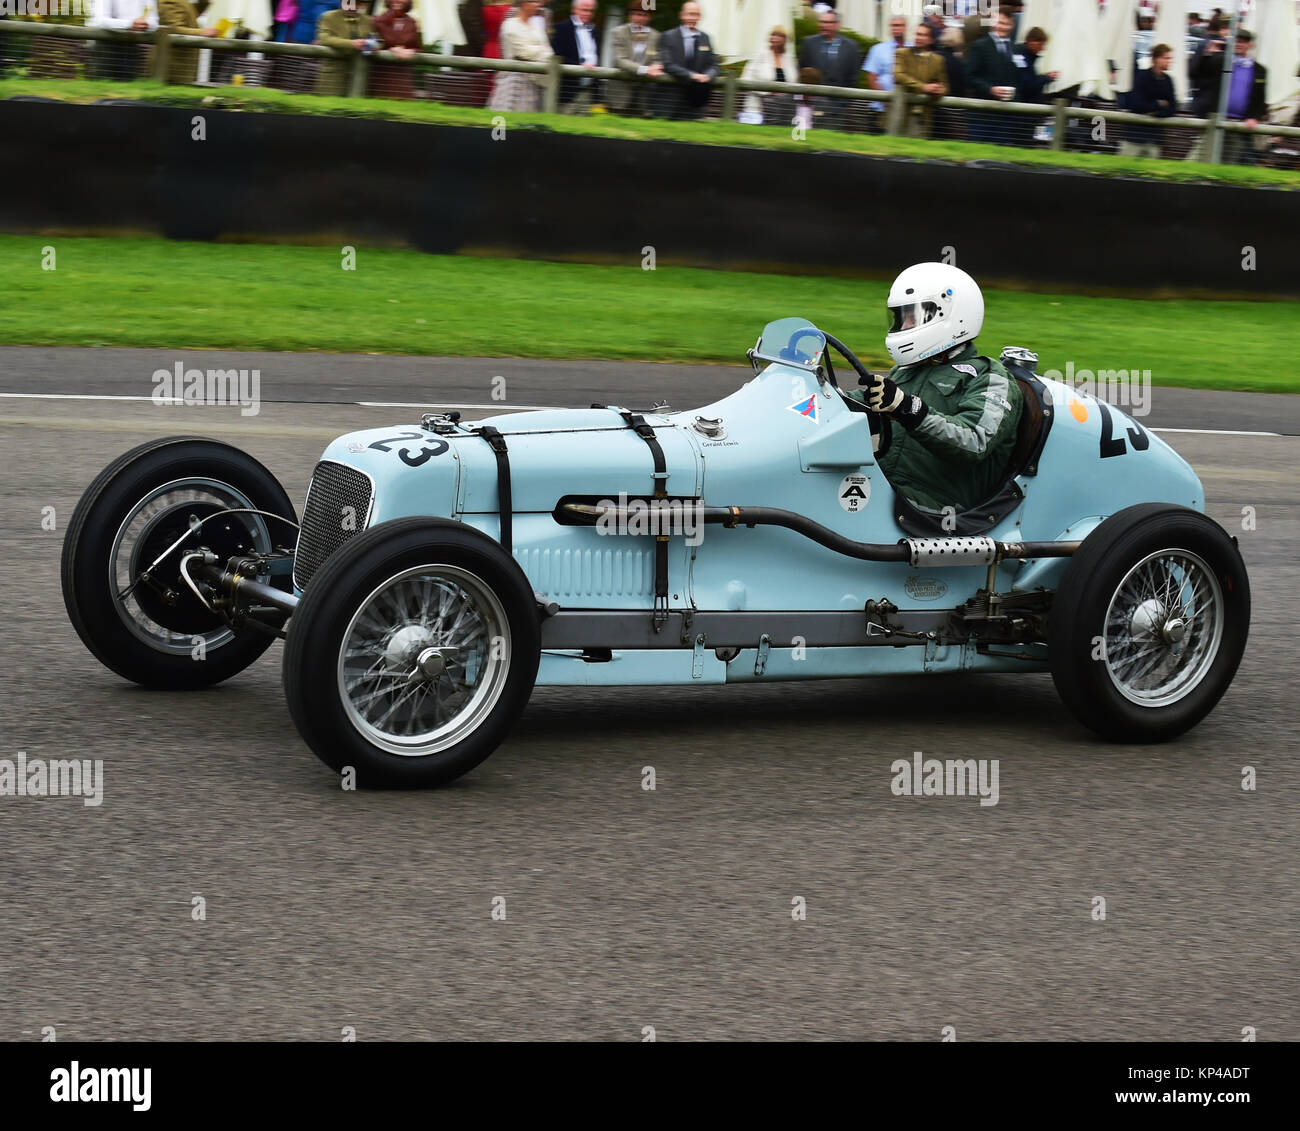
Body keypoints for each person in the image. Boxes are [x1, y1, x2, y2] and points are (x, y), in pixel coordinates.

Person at [849, 263, 1023, 515]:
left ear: (952, 316)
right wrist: (818, 392)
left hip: (937, 509)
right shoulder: (910, 369)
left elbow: (974, 442)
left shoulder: (990, 377)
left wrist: (907, 409)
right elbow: (860, 411)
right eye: (901, 317)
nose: (905, 326)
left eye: (914, 317)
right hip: (885, 486)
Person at [1193, 27, 1268, 165]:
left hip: (1240, 127)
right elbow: (1197, 73)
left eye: (1243, 42)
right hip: (1216, 120)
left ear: (1250, 45)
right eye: (1236, 41)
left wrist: (1254, 117)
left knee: (1227, 162)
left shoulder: (1260, 70)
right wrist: (1207, 54)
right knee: (1199, 160)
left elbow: (1260, 99)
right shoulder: (1221, 62)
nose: (1239, 44)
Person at [797, 10, 862, 129]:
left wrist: (843, 104)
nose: (823, 25)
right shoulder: (809, 43)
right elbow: (802, 71)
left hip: (839, 107)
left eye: (828, 22)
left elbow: (853, 78)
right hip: (812, 105)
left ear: (837, 25)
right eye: (821, 22)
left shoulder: (851, 47)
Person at [964, 7, 1019, 144]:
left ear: (1012, 26)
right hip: (982, 115)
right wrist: (990, 89)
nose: (1002, 27)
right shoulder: (980, 46)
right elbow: (969, 76)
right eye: (999, 22)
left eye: (1006, 24)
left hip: (1005, 116)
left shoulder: (1015, 48)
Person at [487, 0, 553, 112]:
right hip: (513, 79)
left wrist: (539, 51)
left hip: (533, 82)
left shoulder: (536, 28)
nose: (537, 5)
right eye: (533, 2)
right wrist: (540, 51)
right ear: (524, 3)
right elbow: (523, 51)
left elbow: (549, 52)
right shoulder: (510, 25)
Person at [659, 2, 718, 121]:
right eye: (690, 14)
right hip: (670, 99)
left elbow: (713, 64)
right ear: (681, 15)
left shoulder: (705, 38)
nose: (693, 18)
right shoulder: (668, 36)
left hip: (696, 100)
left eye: (696, 15)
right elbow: (668, 64)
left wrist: (708, 75)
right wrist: (692, 75)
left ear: (700, 17)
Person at [893, 20, 947, 139]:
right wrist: (923, 87)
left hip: (923, 117)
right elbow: (898, 76)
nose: (918, 37)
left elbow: (945, 86)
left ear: (931, 40)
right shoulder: (902, 54)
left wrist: (938, 90)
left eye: (923, 35)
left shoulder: (938, 60)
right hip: (901, 112)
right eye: (917, 34)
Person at [608, 1, 663, 117]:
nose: (641, 18)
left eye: (645, 15)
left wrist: (657, 65)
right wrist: (645, 70)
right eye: (638, 14)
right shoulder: (618, 32)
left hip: (643, 94)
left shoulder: (656, 36)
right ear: (630, 15)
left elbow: (658, 58)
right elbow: (620, 60)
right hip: (620, 92)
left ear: (650, 17)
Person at [1121, 41, 1175, 158]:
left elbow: (1172, 107)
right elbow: (1136, 104)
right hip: (1134, 136)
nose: (1169, 61)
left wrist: (1155, 112)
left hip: (1154, 138)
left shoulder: (1168, 80)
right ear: (1156, 59)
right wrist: (1159, 104)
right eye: (1166, 58)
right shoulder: (1142, 77)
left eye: (1170, 58)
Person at [315, 0, 374, 96]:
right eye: (348, 2)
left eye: (356, 3)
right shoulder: (328, 17)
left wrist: (374, 46)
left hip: (359, 75)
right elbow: (325, 38)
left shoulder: (368, 21)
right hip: (333, 74)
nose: (352, 6)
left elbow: (375, 39)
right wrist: (351, 43)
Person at [551, 0, 600, 113]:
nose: (588, 14)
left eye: (591, 11)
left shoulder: (595, 31)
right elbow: (556, 56)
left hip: (587, 91)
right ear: (574, 9)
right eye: (584, 10)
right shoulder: (561, 28)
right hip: (567, 91)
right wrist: (580, 66)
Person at [740, 25, 795, 126]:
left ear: (785, 40)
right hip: (758, 106)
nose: (774, 38)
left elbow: (794, 82)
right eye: (772, 35)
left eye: (778, 35)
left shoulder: (789, 59)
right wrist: (768, 91)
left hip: (783, 108)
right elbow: (745, 79)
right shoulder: (760, 55)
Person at [88, 0, 156, 81]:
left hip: (131, 44)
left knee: (126, 85)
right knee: (102, 82)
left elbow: (154, 22)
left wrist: (147, 25)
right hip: (105, 45)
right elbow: (99, 20)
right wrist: (130, 24)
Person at [157, 0, 221, 84]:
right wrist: (202, 32)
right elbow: (174, 28)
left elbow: (191, 15)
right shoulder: (169, 1)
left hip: (183, 64)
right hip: (173, 65)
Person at [370, 0, 421, 100]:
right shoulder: (377, 20)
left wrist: (411, 51)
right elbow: (370, 45)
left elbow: (417, 47)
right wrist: (392, 49)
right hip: (381, 75)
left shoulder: (412, 22)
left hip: (402, 75)